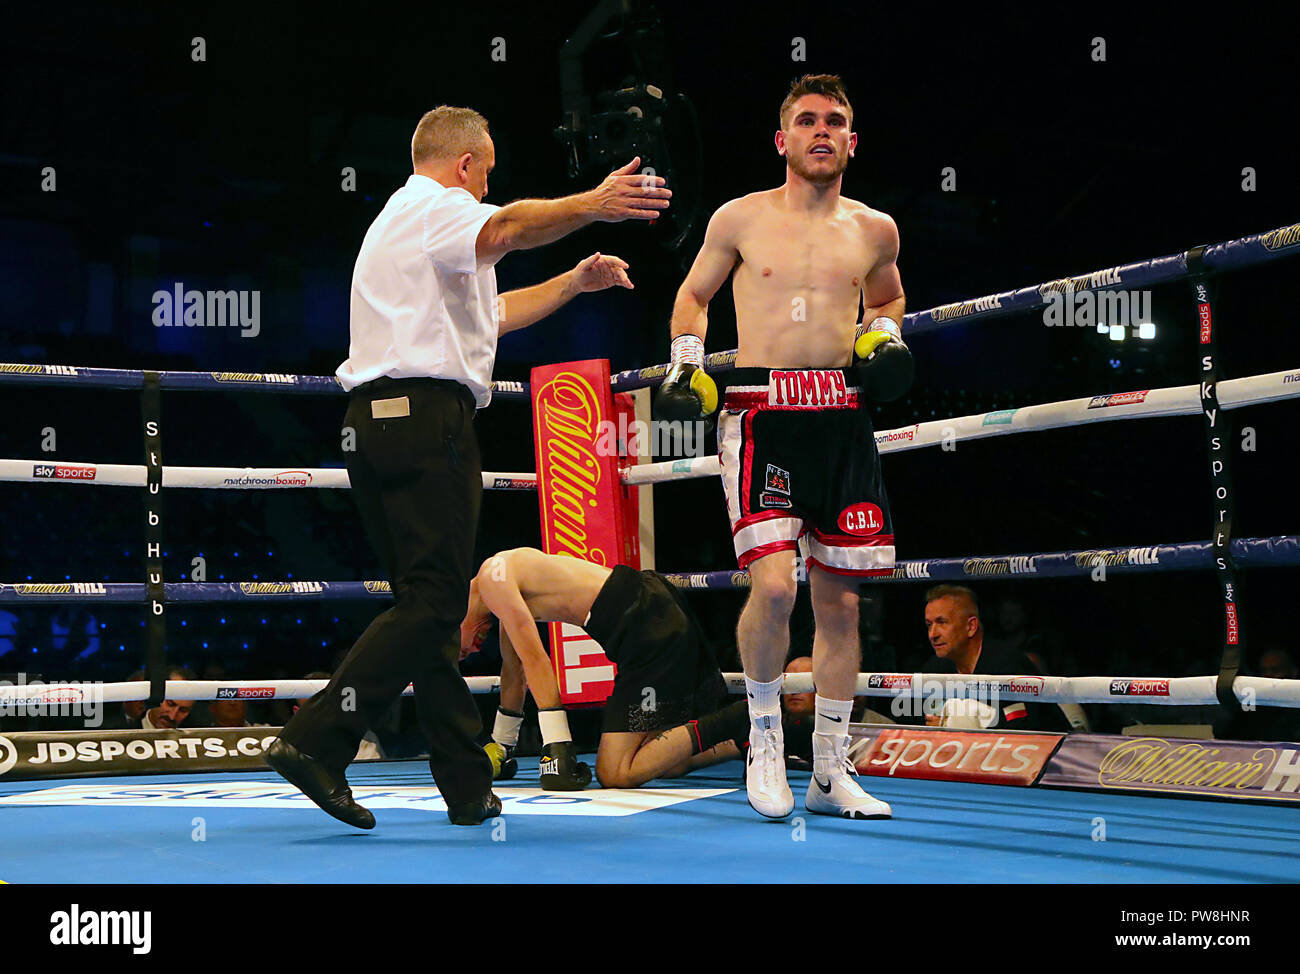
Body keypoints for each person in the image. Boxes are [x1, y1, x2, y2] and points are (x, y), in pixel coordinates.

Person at [265, 105, 671, 831]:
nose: (488, 184)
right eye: (485, 172)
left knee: (428, 605)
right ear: (465, 165)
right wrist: (594, 205)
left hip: (377, 426)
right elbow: (511, 226)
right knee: (431, 604)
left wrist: (574, 282)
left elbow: (496, 313)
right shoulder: (439, 206)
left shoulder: (406, 224)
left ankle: (464, 782)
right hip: (425, 423)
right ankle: (314, 741)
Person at [655, 74, 909, 819]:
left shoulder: (876, 229)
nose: (821, 130)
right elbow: (693, 296)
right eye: (807, 120)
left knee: (841, 603)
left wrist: (884, 333)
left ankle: (830, 771)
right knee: (773, 587)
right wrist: (685, 360)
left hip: (842, 416)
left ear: (852, 142)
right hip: (762, 410)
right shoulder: (739, 218)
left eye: (835, 121)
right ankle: (766, 741)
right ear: (783, 140)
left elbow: (889, 297)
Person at [460, 548, 750, 789]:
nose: (473, 652)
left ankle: (741, 715)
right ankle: (740, 740)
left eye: (461, 649)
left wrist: (557, 745)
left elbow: (537, 660)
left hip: (645, 623)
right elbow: (515, 669)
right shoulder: (496, 590)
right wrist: (501, 746)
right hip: (646, 615)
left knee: (615, 772)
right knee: (656, 759)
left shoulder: (492, 577)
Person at [921, 585, 1070, 731]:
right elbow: (921, 721)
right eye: (929, 625)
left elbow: (1024, 730)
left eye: (942, 622)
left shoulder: (1008, 666)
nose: (932, 634)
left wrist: (966, 726)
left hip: (1059, 749)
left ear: (971, 627)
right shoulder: (935, 669)